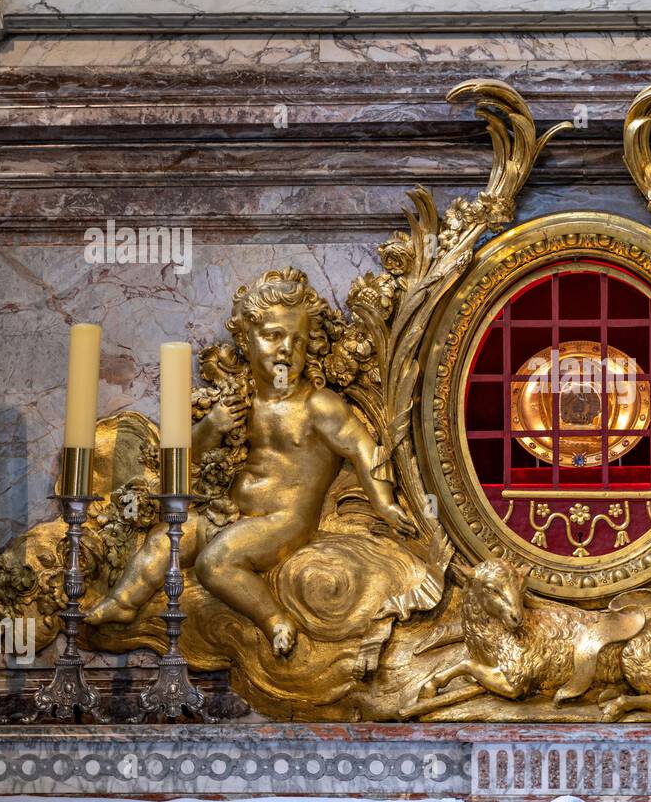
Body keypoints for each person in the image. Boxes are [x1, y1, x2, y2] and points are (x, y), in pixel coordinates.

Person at [87, 268, 415, 655]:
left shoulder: (317, 405)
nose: (286, 349)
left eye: (298, 339)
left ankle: (274, 620)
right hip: (231, 514)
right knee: (166, 539)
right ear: (245, 339)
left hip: (282, 522)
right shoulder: (243, 401)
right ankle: (124, 602)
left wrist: (385, 503)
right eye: (273, 336)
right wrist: (213, 425)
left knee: (216, 563)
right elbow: (185, 454)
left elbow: (364, 449)